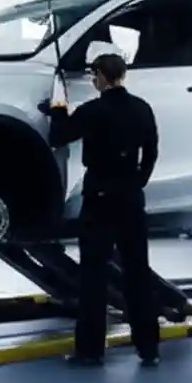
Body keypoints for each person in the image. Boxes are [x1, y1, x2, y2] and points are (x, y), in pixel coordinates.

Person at [41, 53, 161, 367]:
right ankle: (149, 348)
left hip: (100, 199)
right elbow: (151, 153)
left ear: (101, 77)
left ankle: (91, 351)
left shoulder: (93, 110)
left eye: (94, 76)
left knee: (93, 277)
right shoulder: (142, 108)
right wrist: (137, 183)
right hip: (132, 199)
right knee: (138, 274)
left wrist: (57, 109)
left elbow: (59, 136)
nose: (93, 81)